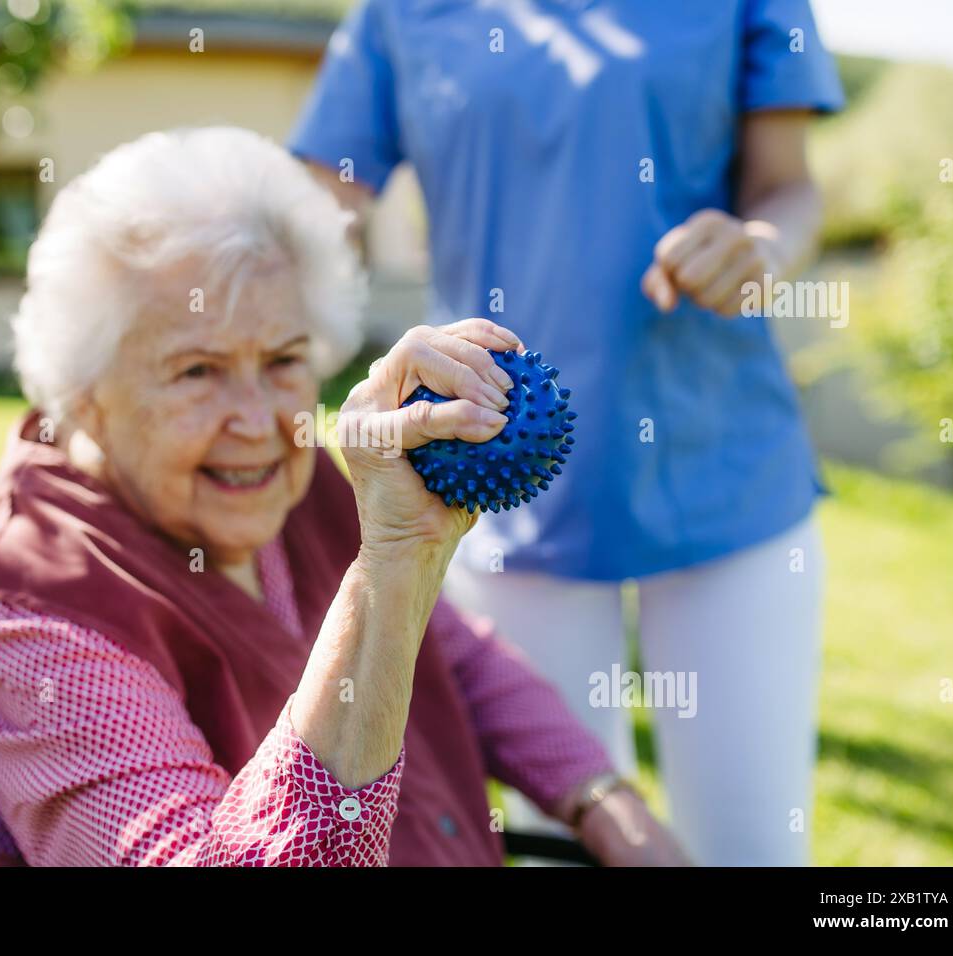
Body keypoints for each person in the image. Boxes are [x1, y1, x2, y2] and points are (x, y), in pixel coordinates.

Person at [0, 127, 688, 866]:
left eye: (286, 361)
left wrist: (601, 799)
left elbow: (456, 656)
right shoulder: (19, 608)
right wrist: (392, 567)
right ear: (81, 392)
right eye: (197, 371)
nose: (261, 423)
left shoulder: (310, 492)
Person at [289, 0, 844, 864]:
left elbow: (788, 187)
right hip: (490, 486)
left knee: (754, 848)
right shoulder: (399, 13)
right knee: (571, 841)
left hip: (723, 467)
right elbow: (320, 207)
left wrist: (762, 248)